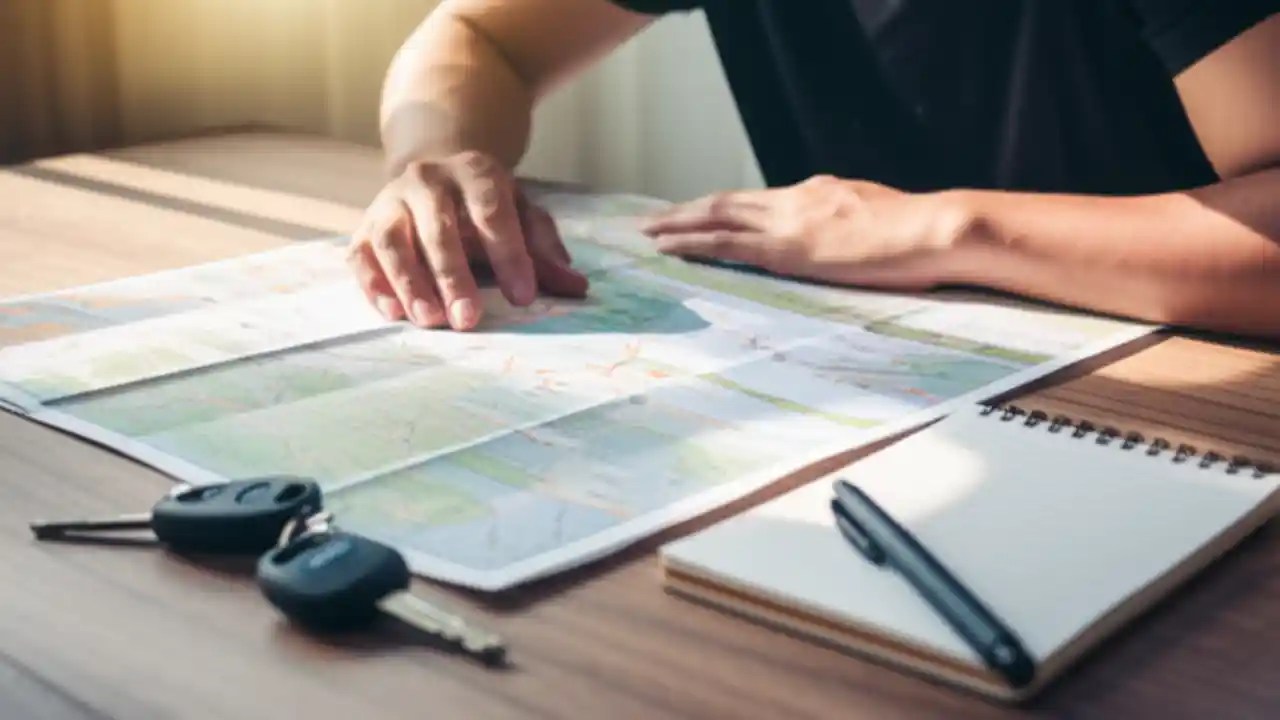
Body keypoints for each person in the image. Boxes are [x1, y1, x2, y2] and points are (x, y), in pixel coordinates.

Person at [347, 0, 1280, 339]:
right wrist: (434, 158)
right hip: (894, 378)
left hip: (1192, 404)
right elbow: (474, 37)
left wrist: (945, 227)